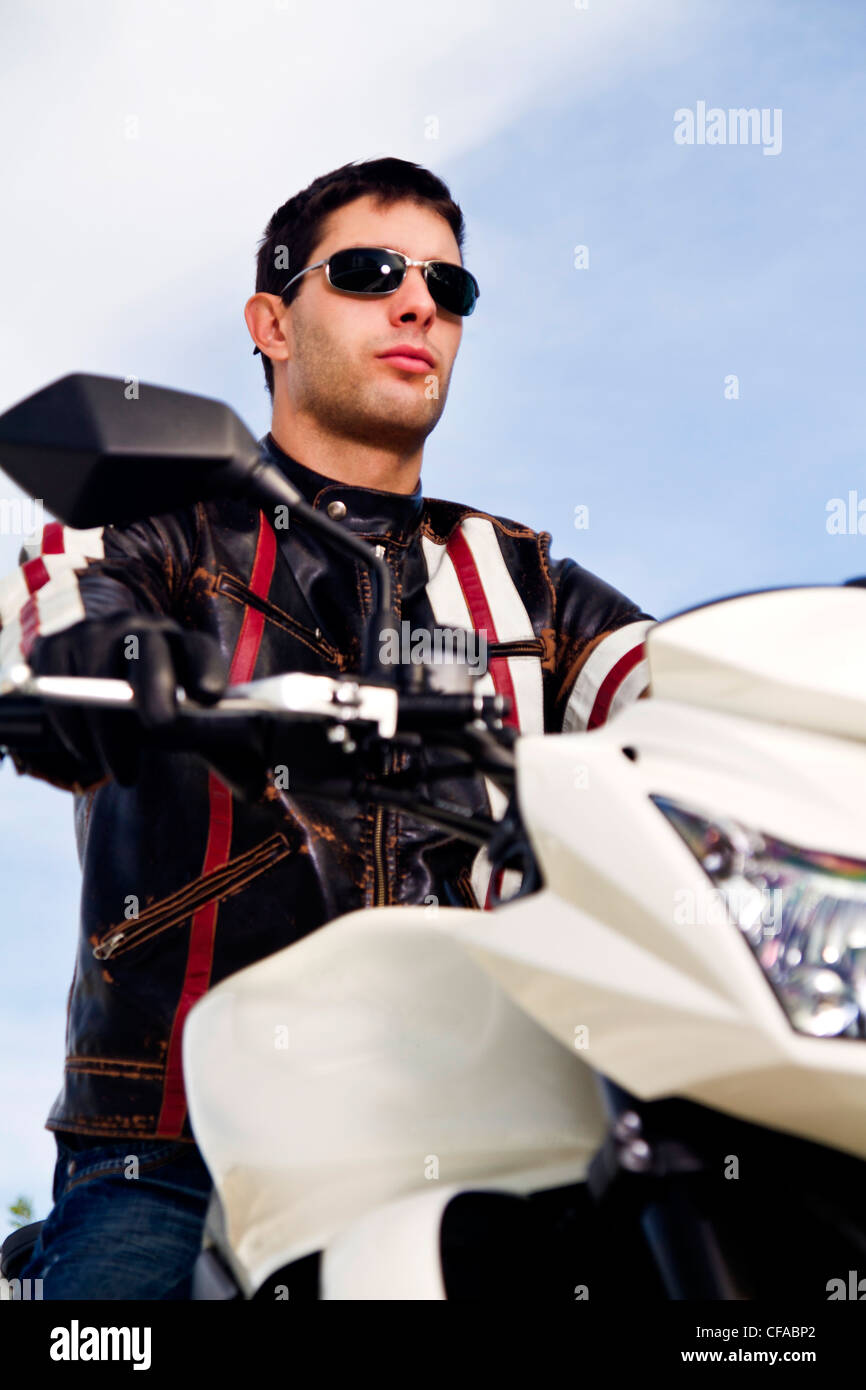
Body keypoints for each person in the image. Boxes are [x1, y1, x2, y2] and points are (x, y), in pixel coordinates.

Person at [0, 156, 655, 1298]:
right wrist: (120, 653)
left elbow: (678, 683)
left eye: (449, 290)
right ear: (271, 321)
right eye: (370, 273)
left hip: (491, 1122)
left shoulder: (528, 585)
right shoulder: (158, 534)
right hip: (180, 1145)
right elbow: (48, 612)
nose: (418, 305)